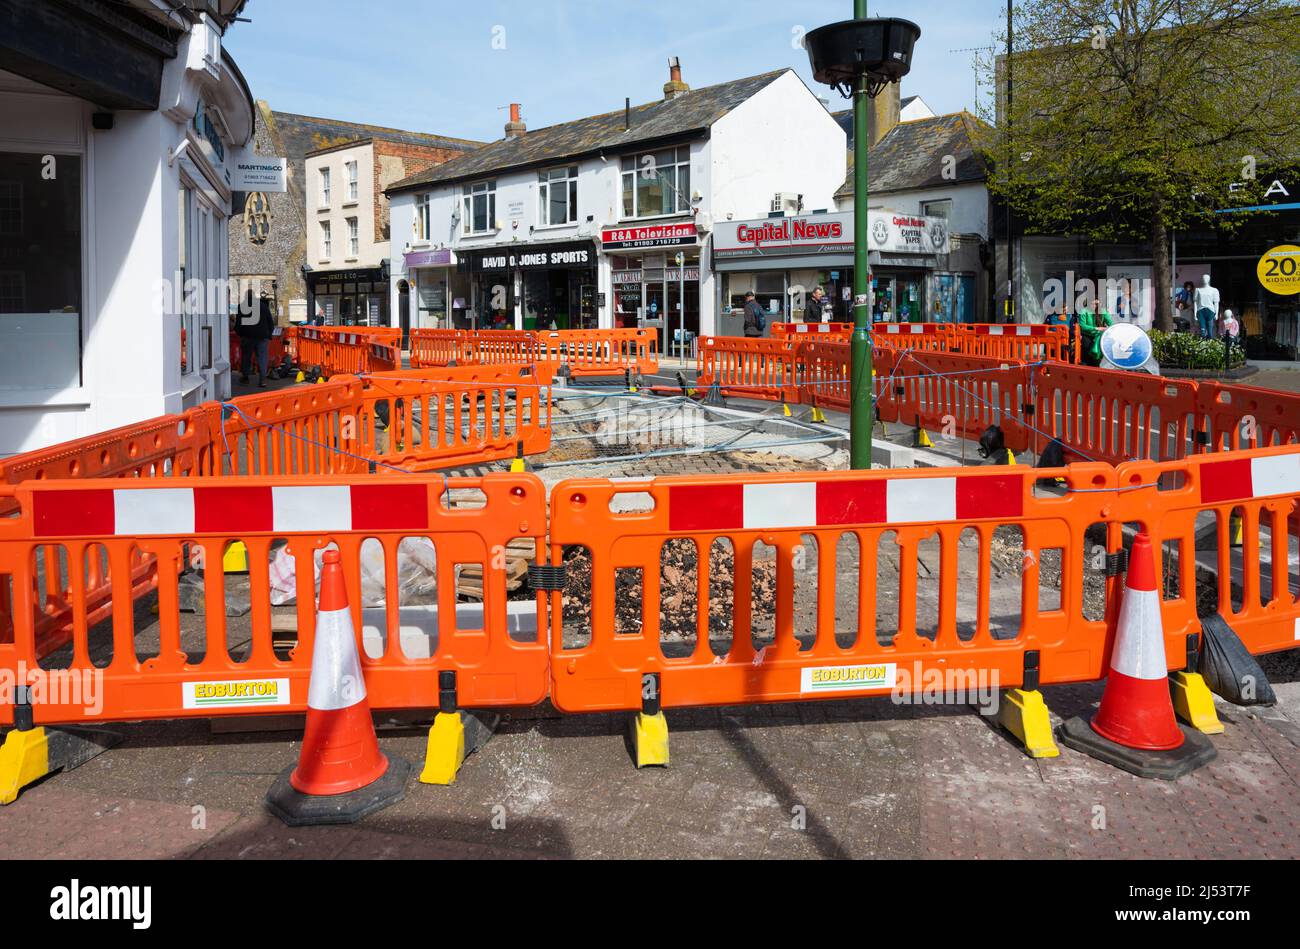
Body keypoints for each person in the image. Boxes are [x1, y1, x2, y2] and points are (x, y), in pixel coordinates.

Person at [238, 290, 275, 387]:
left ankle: (245, 377)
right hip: (262, 336)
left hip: (248, 336)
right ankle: (263, 380)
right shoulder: (263, 306)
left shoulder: (242, 306)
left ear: (246, 297)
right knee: (262, 358)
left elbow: (239, 324)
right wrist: (269, 334)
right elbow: (270, 322)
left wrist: (240, 334)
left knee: (246, 357)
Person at [1076, 298, 1113, 366]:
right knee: (1087, 348)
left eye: (1097, 304)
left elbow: (1110, 323)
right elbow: (1082, 326)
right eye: (1093, 304)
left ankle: (1098, 364)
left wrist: (1112, 328)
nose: (1095, 306)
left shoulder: (1103, 311)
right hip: (1087, 334)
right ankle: (1085, 365)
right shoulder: (1084, 311)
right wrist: (1096, 328)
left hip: (1099, 335)